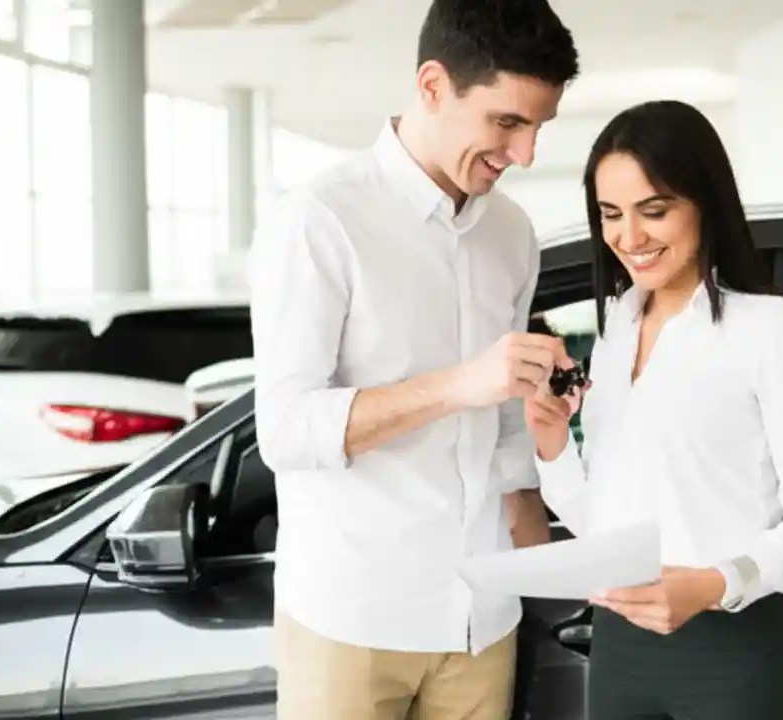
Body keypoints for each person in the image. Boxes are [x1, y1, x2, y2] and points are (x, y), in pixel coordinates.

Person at [247, 1, 579, 717]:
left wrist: (552, 571)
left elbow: (511, 436)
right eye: (507, 123)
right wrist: (463, 384)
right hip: (354, 622)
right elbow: (286, 430)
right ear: (433, 85)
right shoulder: (320, 219)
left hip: (483, 622)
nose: (523, 155)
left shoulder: (512, 232)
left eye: (538, 128)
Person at [524, 100, 783, 719]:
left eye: (654, 210)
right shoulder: (618, 326)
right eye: (611, 215)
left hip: (737, 652)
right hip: (621, 648)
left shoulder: (776, 331)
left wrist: (715, 583)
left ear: (704, 201)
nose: (629, 237)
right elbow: (608, 527)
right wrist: (553, 447)